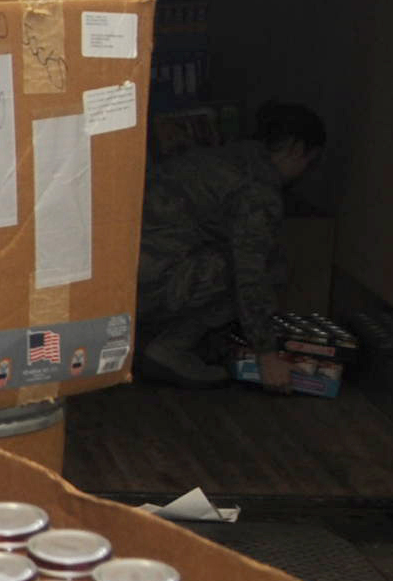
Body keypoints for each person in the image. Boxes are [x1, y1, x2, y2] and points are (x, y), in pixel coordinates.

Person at [136, 102, 328, 391]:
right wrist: (267, 355)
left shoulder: (228, 157)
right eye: (308, 162)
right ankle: (170, 347)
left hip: (121, 274)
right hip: (148, 281)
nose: (304, 173)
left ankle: (156, 341)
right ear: (296, 150)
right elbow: (251, 274)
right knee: (267, 267)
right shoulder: (257, 189)